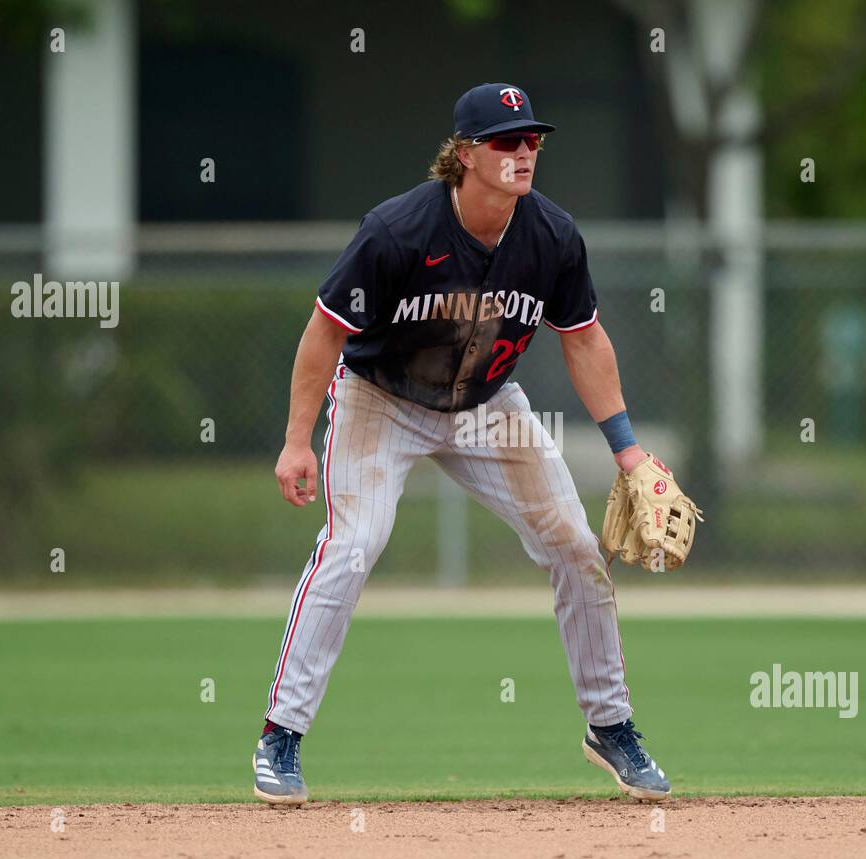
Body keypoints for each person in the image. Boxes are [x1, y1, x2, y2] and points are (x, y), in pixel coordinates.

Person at [254, 83, 675, 805]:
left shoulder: (551, 237)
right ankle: (280, 737)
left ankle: (610, 726)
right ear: (466, 154)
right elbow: (325, 330)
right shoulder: (397, 232)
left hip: (486, 404)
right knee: (355, 545)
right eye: (506, 141)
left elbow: (584, 339)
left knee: (576, 544)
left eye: (532, 140)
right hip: (380, 398)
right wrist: (298, 441)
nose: (523, 153)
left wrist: (627, 449)